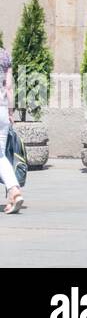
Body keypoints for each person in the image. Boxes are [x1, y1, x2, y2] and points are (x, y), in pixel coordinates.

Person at [0, 47, 23, 214]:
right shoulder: (4, 54)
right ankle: (13, 191)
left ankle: (14, 190)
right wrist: (10, 111)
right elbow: (8, 87)